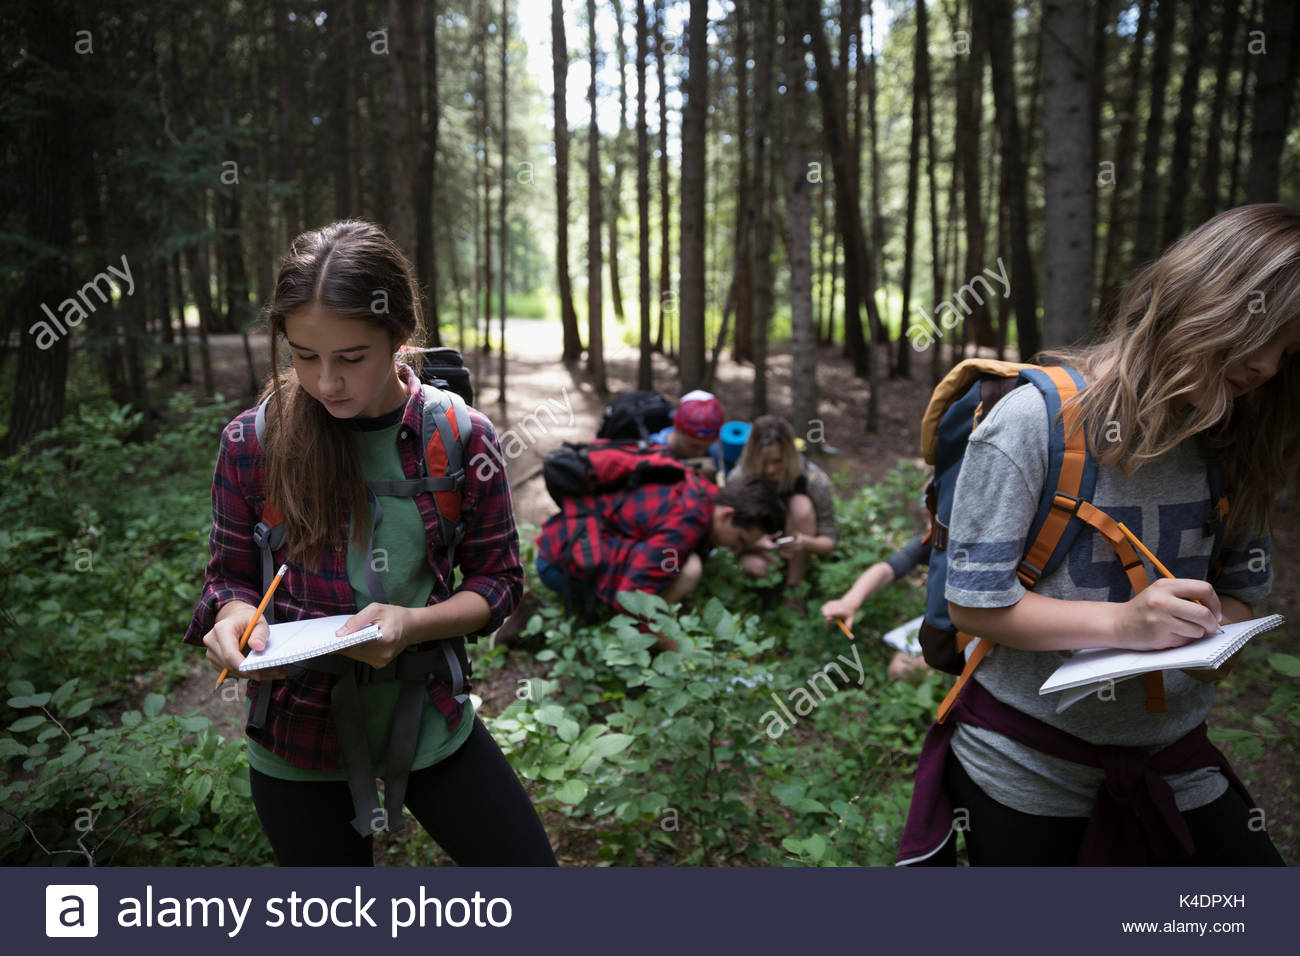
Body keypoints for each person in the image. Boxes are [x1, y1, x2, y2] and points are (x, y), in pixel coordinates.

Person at [899, 204, 1300, 867]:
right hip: (1026, 770)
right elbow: (973, 603)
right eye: (1259, 334)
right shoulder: (1035, 422)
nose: (1267, 368)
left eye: (1289, 352)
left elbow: (1238, 592)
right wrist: (1125, 627)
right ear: (1205, 297)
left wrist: (1215, 634)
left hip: (1173, 759)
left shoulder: (1237, 439)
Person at [184, 220, 557, 867]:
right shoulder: (252, 443)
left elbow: (497, 584)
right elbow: (229, 577)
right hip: (296, 734)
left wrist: (414, 623)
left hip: (431, 715)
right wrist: (234, 614)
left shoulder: (461, 436)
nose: (326, 382)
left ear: (400, 336)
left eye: (351, 357)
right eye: (304, 355)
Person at [534, 472, 786, 643]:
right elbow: (632, 598)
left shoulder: (702, 493)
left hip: (567, 535)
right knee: (689, 570)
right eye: (741, 540)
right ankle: (627, 638)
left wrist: (754, 545)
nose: (737, 549)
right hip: (556, 562)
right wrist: (679, 653)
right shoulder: (682, 529)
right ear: (727, 515)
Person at [730, 416, 838, 590]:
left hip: (797, 551)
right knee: (756, 567)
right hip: (755, 552)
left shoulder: (813, 479)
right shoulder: (738, 479)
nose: (770, 470)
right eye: (763, 462)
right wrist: (753, 543)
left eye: (777, 461)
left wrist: (804, 542)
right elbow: (723, 536)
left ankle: (795, 590)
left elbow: (829, 540)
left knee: (801, 504)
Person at [821, 534, 933, 681]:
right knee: (901, 669)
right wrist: (849, 602)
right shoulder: (940, 533)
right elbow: (890, 567)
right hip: (942, 626)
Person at [648, 389, 726, 481]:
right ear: (676, 427)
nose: (699, 453)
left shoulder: (713, 451)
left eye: (707, 446)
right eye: (694, 446)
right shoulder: (652, 449)